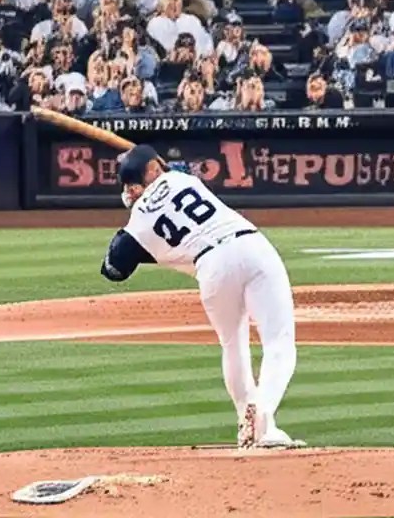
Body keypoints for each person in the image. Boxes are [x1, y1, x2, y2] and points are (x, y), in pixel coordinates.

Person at [99, 145, 301, 449]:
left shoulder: (139, 221)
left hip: (211, 267)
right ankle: (264, 422)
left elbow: (114, 269)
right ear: (153, 168)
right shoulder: (184, 180)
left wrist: (132, 232)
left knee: (233, 345)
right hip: (251, 246)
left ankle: (248, 426)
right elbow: (174, 172)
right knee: (279, 342)